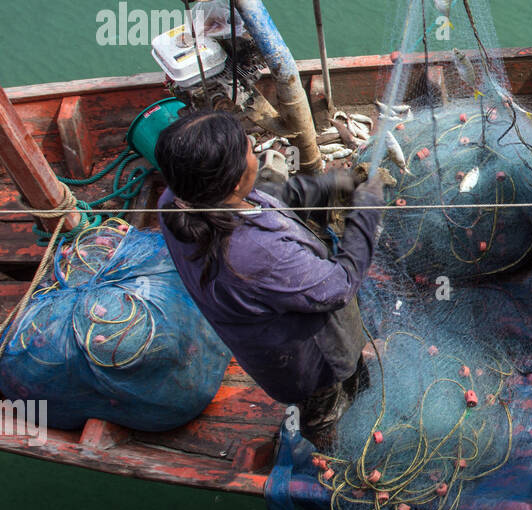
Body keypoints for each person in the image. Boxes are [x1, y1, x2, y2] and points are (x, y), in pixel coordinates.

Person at [153, 110, 384, 450]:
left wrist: (329, 185)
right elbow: (339, 286)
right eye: (248, 151)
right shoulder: (257, 253)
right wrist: (366, 212)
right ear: (232, 182)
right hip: (307, 362)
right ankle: (330, 446)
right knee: (324, 407)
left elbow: (265, 199)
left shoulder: (175, 201)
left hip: (261, 336)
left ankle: (345, 401)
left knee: (351, 381)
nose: (254, 151)